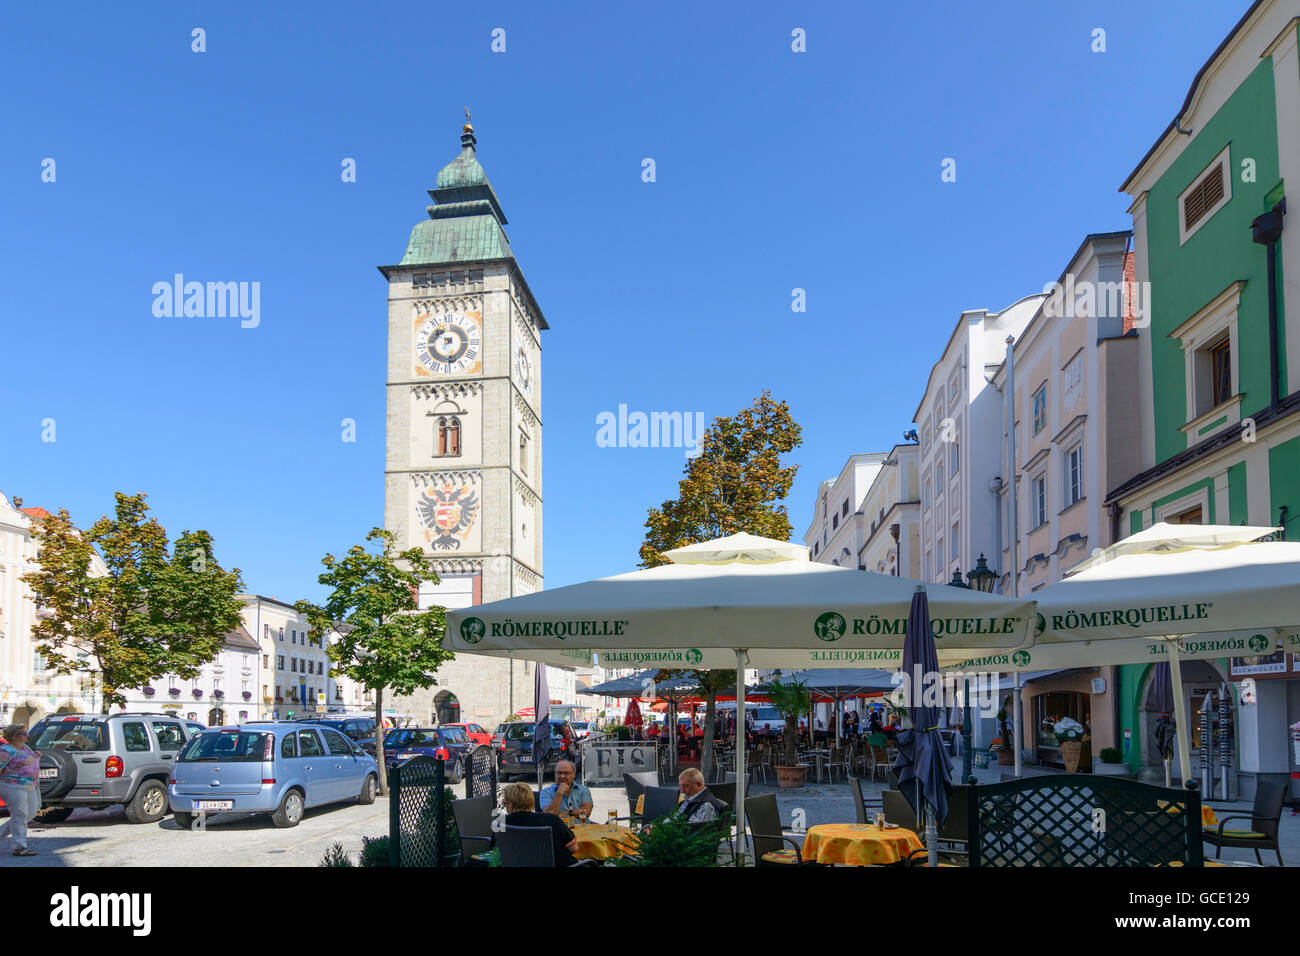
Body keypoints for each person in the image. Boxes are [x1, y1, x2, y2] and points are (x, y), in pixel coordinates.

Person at [501, 782, 577, 867]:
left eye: (505, 804)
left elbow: (496, 848)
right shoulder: (551, 819)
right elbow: (574, 848)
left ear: (510, 805)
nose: (505, 806)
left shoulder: (501, 823)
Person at [0, 724, 42, 856]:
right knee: (20, 815)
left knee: (31, 812)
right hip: (13, 786)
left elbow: (30, 762)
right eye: (23, 734)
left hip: (30, 785)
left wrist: (36, 757)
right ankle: (19, 847)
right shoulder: (5, 751)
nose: (27, 736)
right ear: (13, 737)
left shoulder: (25, 748)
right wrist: (19, 764)